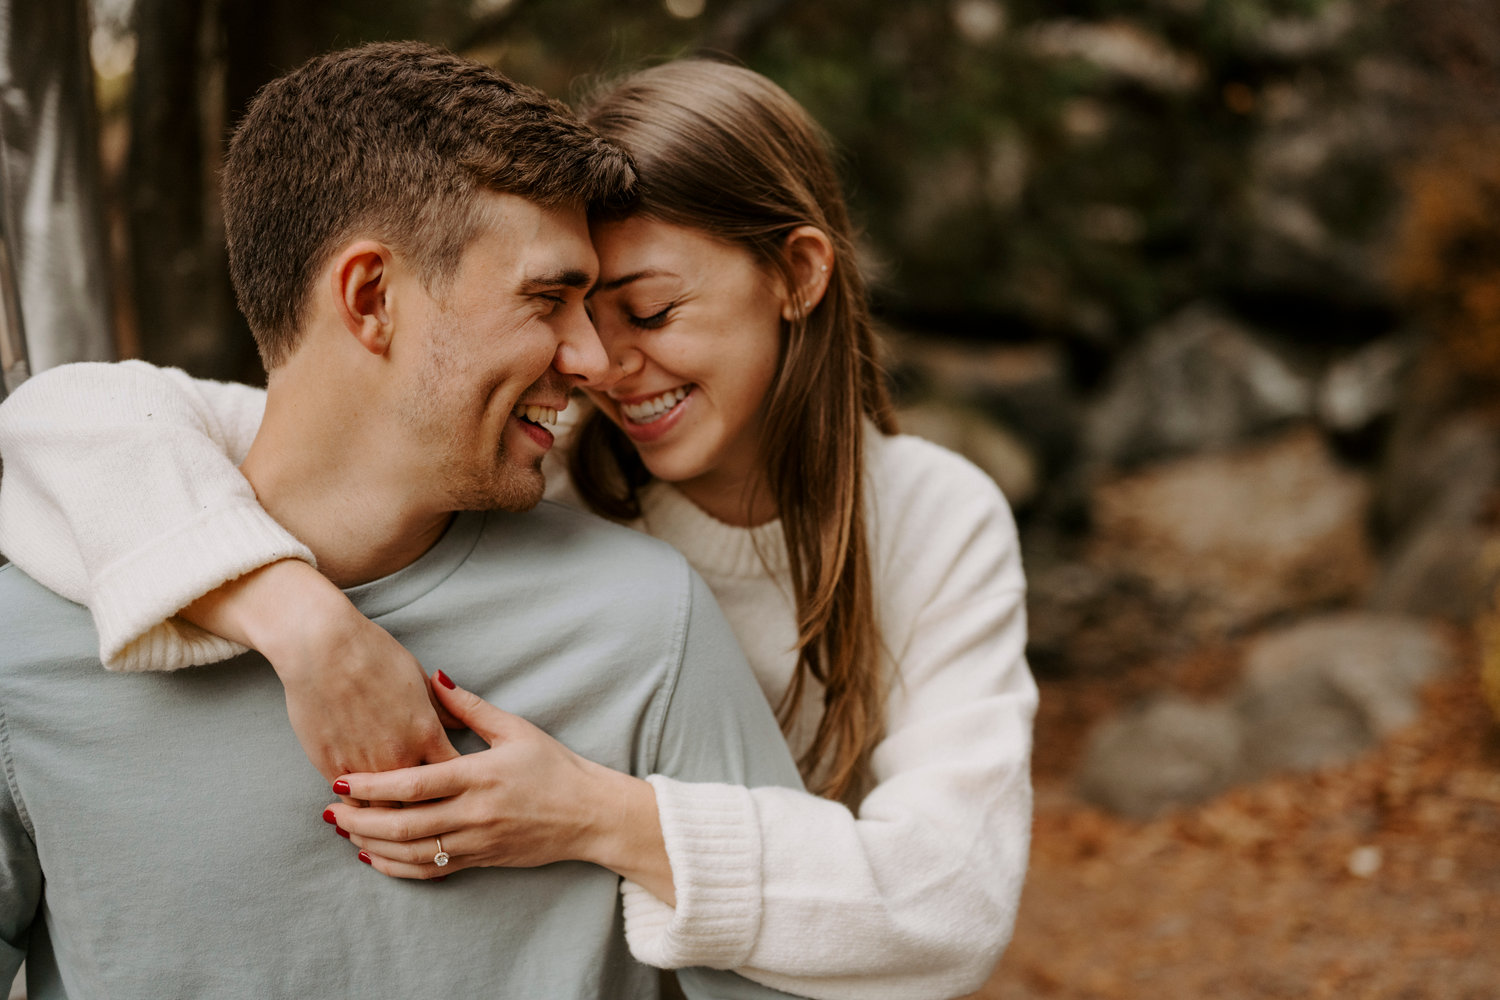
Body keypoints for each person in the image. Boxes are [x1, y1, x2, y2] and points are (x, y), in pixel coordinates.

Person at [0, 59, 1038, 1000]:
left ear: (799, 275)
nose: (599, 364)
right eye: (560, 300)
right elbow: (91, 422)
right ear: (371, 297)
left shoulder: (884, 532)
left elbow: (949, 897)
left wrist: (594, 812)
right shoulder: (539, 465)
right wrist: (303, 621)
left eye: (650, 310)